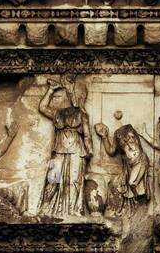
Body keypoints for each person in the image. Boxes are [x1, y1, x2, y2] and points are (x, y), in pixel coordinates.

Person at [38, 78, 93, 217]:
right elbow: (42, 108)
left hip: (77, 151)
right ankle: (46, 209)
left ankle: (74, 211)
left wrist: (89, 150)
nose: (76, 97)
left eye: (79, 95)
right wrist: (50, 90)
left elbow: (87, 135)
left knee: (74, 181)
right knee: (52, 179)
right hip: (58, 150)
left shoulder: (82, 114)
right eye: (73, 93)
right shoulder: (59, 113)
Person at [95, 120, 151, 216]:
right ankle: (133, 207)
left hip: (140, 161)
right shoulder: (118, 135)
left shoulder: (130, 132)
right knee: (120, 185)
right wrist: (104, 137)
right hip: (129, 165)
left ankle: (140, 202)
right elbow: (111, 151)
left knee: (132, 183)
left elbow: (135, 148)